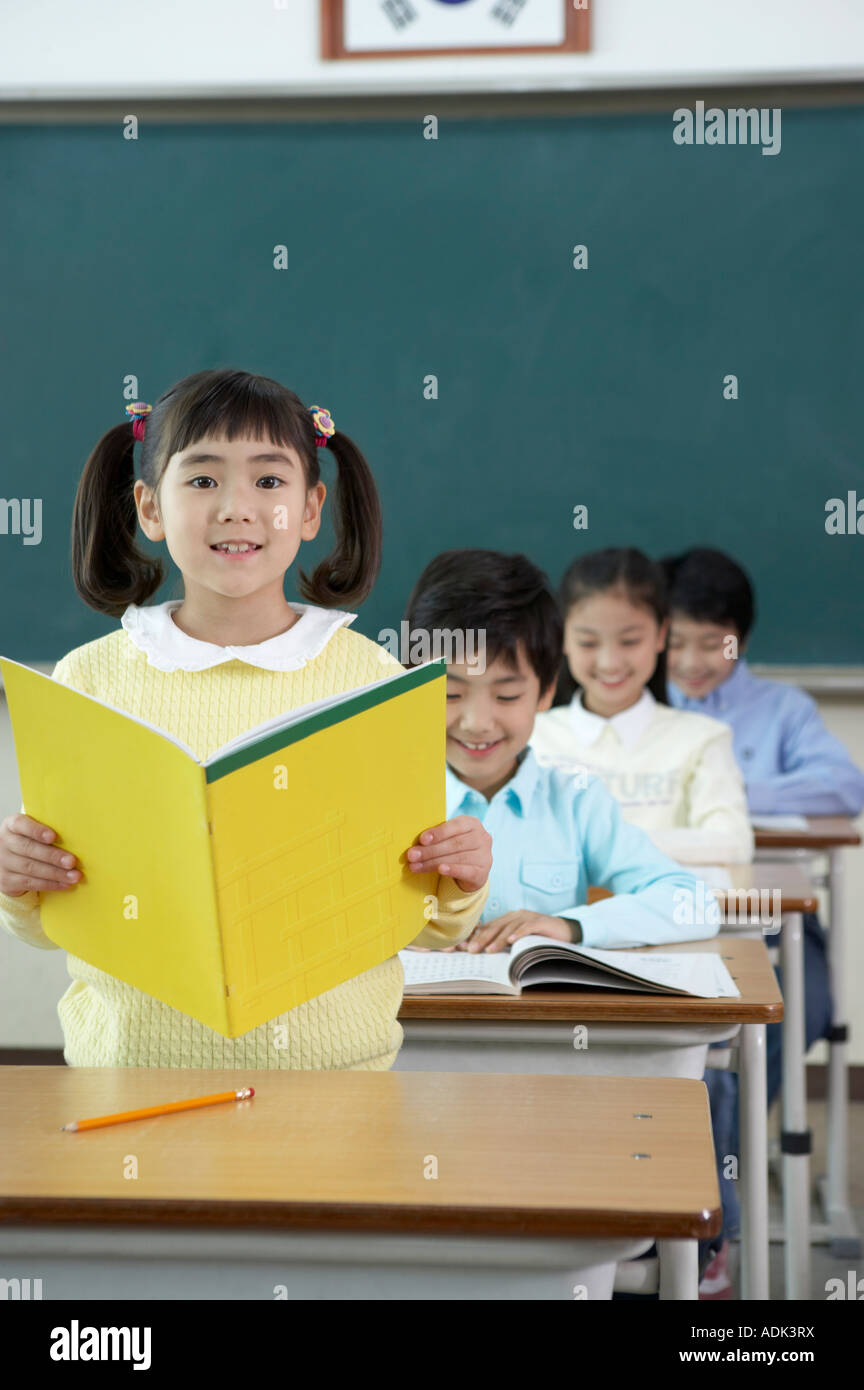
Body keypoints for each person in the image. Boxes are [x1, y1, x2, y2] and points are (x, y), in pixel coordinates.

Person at [0, 369, 491, 1069]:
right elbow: (50, 918)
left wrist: (460, 880)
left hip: (339, 1086)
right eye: (201, 481)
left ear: (312, 508)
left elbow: (423, 921)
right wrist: (18, 879)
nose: (236, 507)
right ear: (149, 508)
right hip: (131, 1083)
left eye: (269, 482)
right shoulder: (89, 680)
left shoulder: (372, 681)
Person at [662, 546, 864, 1281]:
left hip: (771, 914)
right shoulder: (639, 709)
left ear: (738, 639)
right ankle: (706, 1181)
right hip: (672, 911)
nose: (690, 660)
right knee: (699, 1030)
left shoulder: (781, 709)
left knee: (805, 1004)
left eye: (710, 643)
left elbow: (843, 789)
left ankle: (723, 1157)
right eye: (675, 640)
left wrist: (729, 790)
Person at [402, 547, 715, 956]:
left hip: (548, 1019)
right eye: (451, 693)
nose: (477, 721)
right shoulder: (389, 801)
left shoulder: (576, 802)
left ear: (547, 691)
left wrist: (571, 927)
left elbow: (693, 903)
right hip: (418, 1019)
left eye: (508, 695)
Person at [529, 547, 753, 865]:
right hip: (550, 915)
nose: (609, 662)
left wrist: (603, 842)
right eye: (588, 643)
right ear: (563, 638)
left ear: (661, 635)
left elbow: (732, 844)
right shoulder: (532, 736)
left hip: (661, 914)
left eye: (630, 641)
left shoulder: (702, 739)